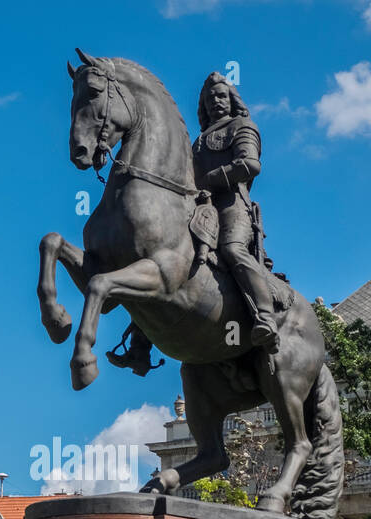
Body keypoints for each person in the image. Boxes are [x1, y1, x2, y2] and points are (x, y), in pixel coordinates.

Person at [107, 72, 280, 376]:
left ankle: (265, 317)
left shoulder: (243, 127)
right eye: (209, 97)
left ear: (232, 99)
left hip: (231, 205)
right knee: (160, 260)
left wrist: (209, 180)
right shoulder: (197, 142)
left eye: (221, 95)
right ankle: (139, 349)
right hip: (198, 208)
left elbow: (251, 165)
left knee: (233, 250)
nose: (215, 101)